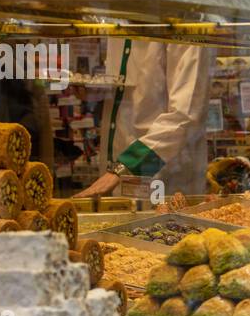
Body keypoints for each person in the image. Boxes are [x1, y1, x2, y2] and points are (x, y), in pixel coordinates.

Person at [76, 39, 212, 197]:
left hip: (161, 179)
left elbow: (186, 115)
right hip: (113, 173)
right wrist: (96, 92)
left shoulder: (184, 25)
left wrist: (128, 166)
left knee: (162, 220)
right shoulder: (119, 24)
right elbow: (134, 96)